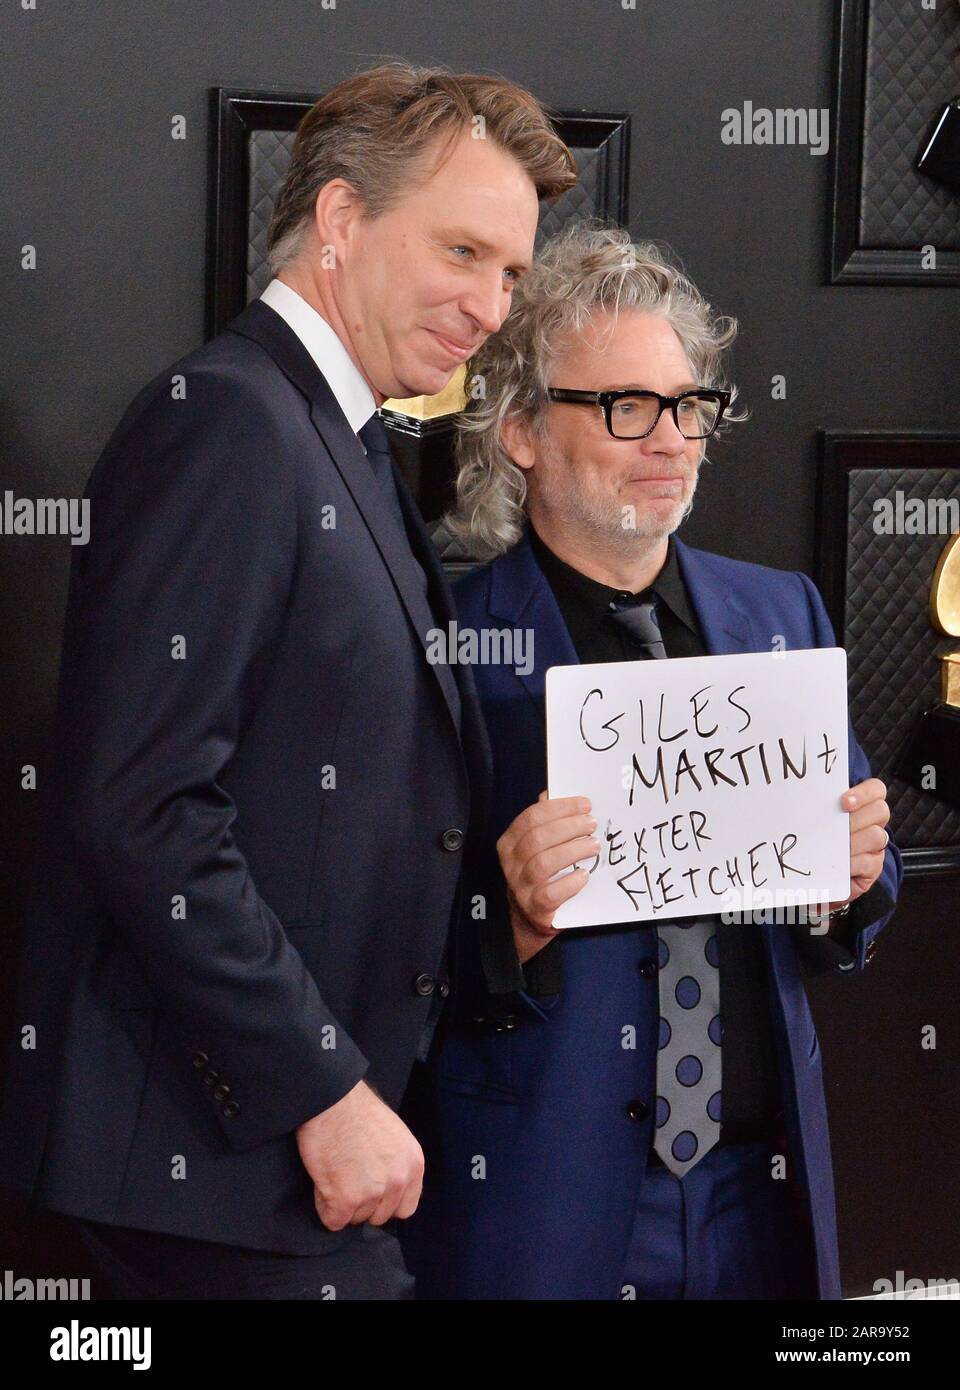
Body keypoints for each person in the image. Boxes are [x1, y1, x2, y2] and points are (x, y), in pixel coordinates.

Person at [0, 62, 576, 1300]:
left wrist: (505, 910)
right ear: (338, 221)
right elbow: (141, 806)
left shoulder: (343, 438)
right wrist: (319, 1086)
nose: (491, 306)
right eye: (463, 251)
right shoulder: (226, 423)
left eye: (514, 272)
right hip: (205, 1177)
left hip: (274, 1179)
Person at [400, 221, 902, 1300]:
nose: (670, 439)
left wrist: (852, 879)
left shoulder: (781, 609)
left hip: (759, 1197)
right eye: (626, 406)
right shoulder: (443, 643)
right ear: (524, 430)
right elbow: (366, 941)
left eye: (689, 406)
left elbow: (852, 910)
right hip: (546, 1203)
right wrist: (510, 912)